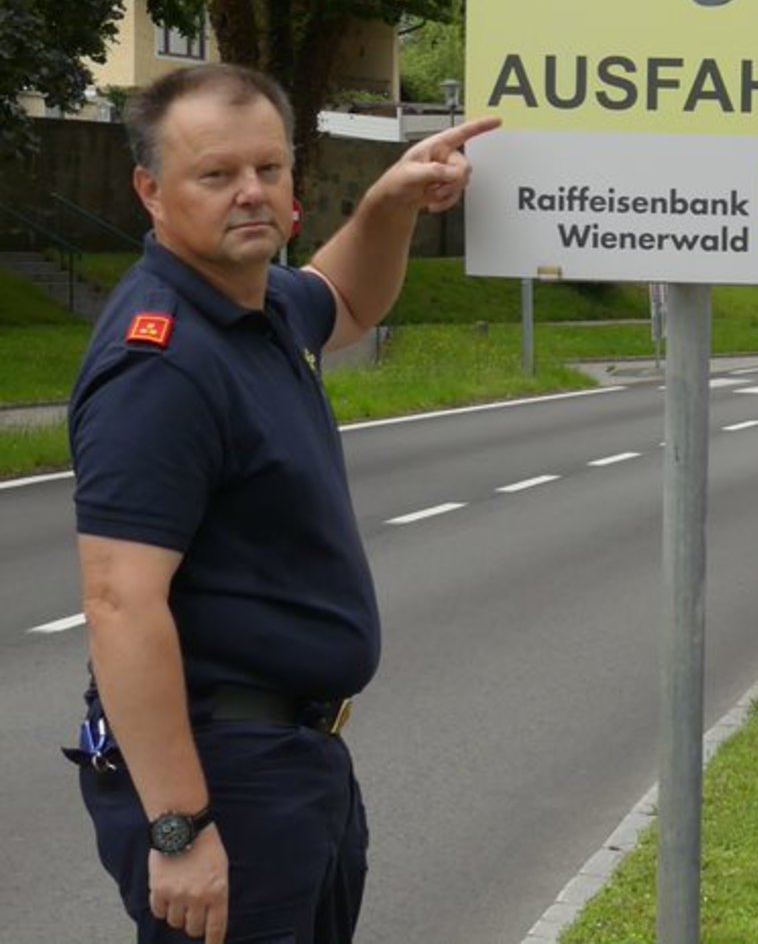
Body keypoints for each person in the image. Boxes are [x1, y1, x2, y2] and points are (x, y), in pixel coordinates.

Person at [66, 64, 496, 944]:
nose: (251, 193)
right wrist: (179, 828)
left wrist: (388, 201)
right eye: (216, 175)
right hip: (224, 774)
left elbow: (345, 300)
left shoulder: (252, 304)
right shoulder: (163, 364)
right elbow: (119, 600)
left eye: (270, 168)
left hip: (295, 762)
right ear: (151, 190)